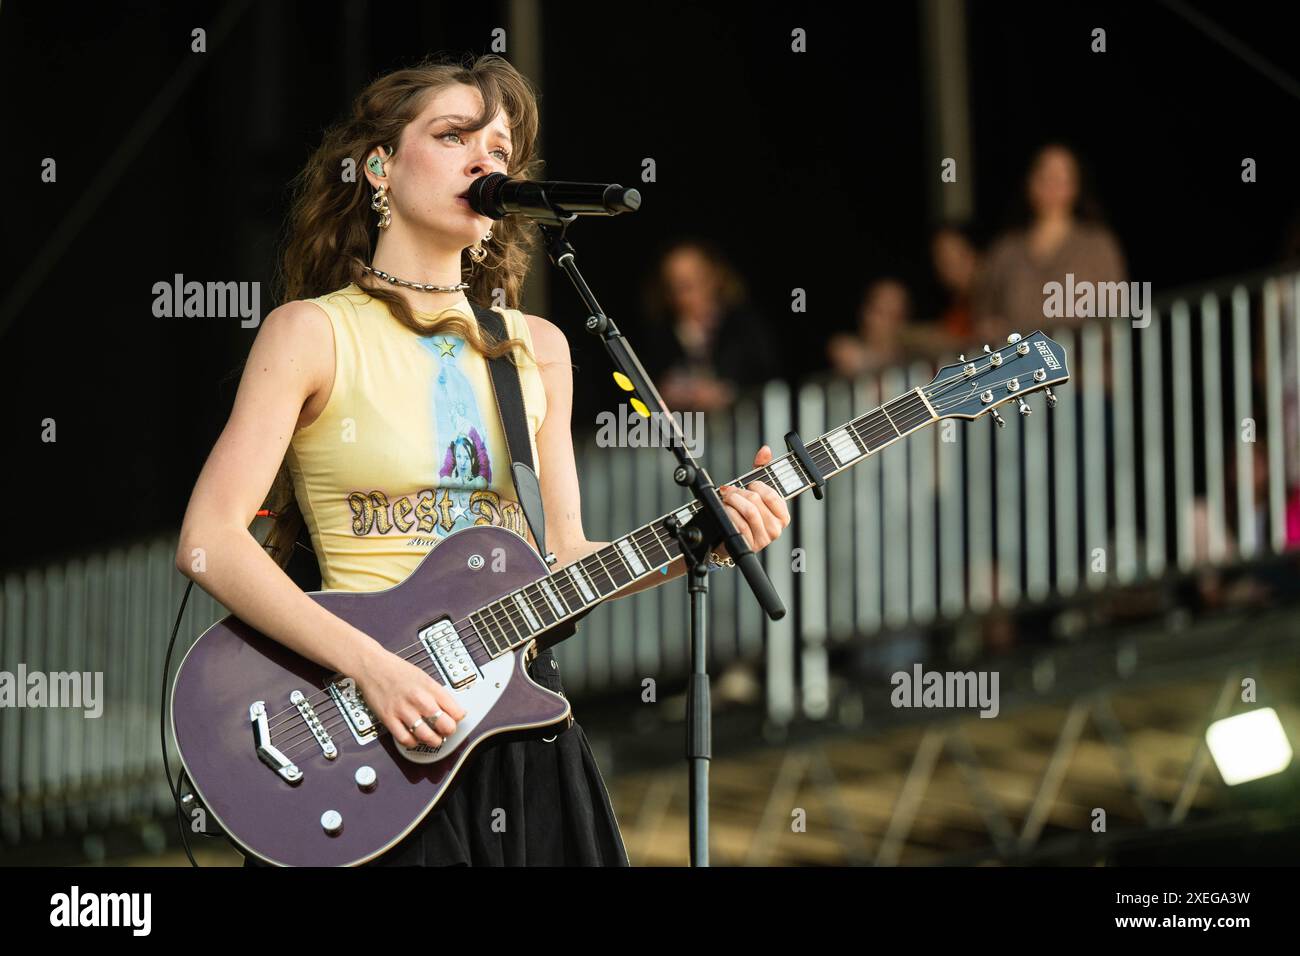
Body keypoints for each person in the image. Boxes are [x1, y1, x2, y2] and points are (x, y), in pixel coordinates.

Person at [174, 54, 791, 866]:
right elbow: (209, 541)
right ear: (379, 168)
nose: (484, 161)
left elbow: (564, 556)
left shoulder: (536, 349)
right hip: (371, 733)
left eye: (499, 151)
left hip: (519, 734)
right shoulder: (312, 332)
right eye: (454, 135)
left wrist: (697, 543)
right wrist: (375, 670)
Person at [972, 143, 1127, 341]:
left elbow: (1116, 312)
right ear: (1030, 182)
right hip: (1019, 366)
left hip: (1081, 365)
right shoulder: (1006, 249)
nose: (1051, 185)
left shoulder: (1098, 246)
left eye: (1061, 177)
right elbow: (984, 311)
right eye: (1044, 175)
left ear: (1075, 185)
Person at [639, 239, 778, 411]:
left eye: (694, 281)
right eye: (676, 286)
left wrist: (729, 393)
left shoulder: (744, 326)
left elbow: (770, 379)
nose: (686, 294)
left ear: (715, 277)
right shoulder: (660, 336)